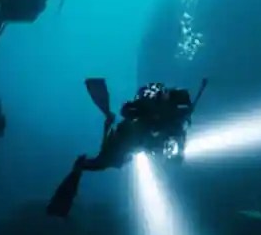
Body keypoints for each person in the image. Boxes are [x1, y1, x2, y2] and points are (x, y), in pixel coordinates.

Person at [46, 79, 203, 218]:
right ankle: (108, 120)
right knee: (100, 162)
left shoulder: (171, 117)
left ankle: (108, 120)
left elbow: (175, 143)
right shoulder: (170, 116)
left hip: (137, 137)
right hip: (136, 136)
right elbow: (174, 140)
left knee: (99, 162)